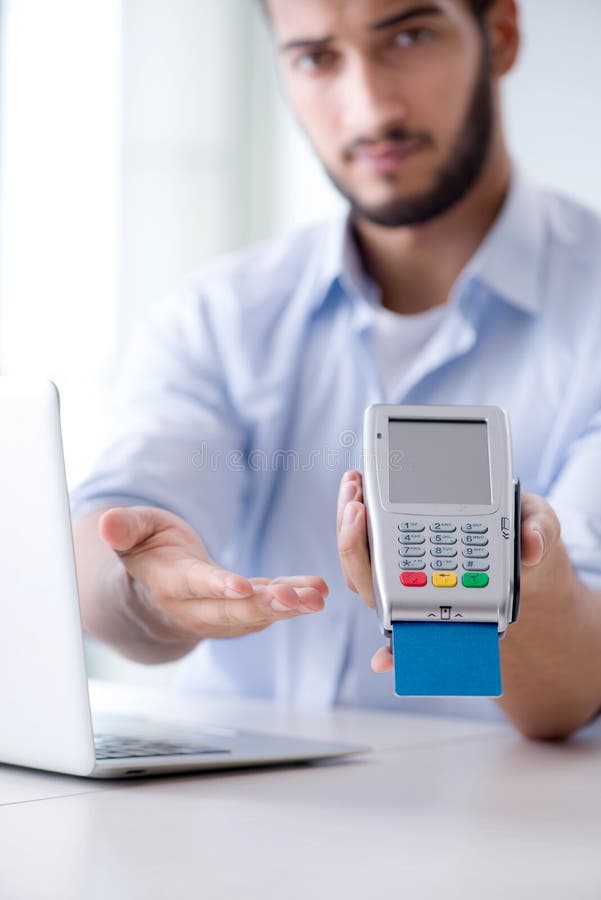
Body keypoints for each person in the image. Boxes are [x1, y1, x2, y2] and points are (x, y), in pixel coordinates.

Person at [71, 0, 601, 740]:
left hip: (508, 839)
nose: (369, 107)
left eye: (409, 36)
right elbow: (116, 530)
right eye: (316, 57)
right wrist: (149, 591)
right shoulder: (219, 314)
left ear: (500, 34)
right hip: (236, 827)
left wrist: (521, 590)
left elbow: (569, 693)